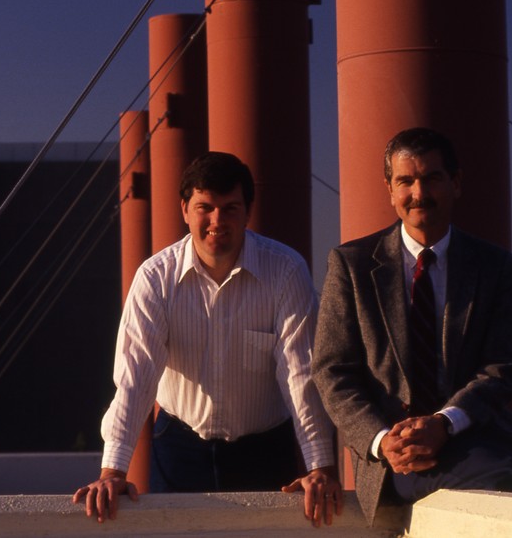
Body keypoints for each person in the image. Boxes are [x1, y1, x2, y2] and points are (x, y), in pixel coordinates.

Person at [73, 151, 341, 527]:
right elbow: (135, 378)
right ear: (185, 209)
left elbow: (301, 374)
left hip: (264, 450)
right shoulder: (155, 278)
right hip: (179, 448)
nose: (217, 221)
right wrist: (112, 474)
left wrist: (321, 468)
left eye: (230, 208)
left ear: (248, 210)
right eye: (205, 207)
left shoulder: (286, 271)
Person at [312, 127, 512, 526]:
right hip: (396, 455)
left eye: (431, 178)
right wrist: (382, 440)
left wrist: (444, 423)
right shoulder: (351, 265)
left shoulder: (493, 266)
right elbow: (332, 371)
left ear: (455, 183)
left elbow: (503, 367)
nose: (418, 193)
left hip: (475, 437)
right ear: (389, 189)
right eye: (405, 181)